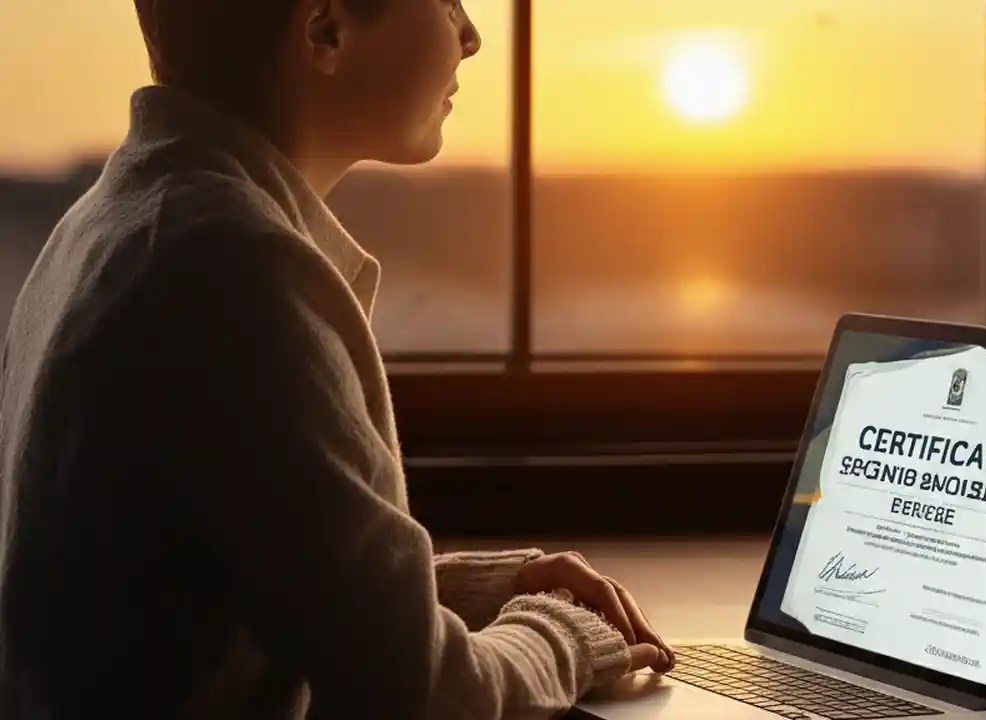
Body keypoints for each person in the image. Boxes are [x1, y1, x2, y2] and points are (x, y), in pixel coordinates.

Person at [0, 0, 674, 717]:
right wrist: (565, 633)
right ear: (325, 32)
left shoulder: (114, 222)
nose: (471, 37)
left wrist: (482, 591)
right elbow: (420, 695)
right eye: (447, 3)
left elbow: (235, 577)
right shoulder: (231, 270)